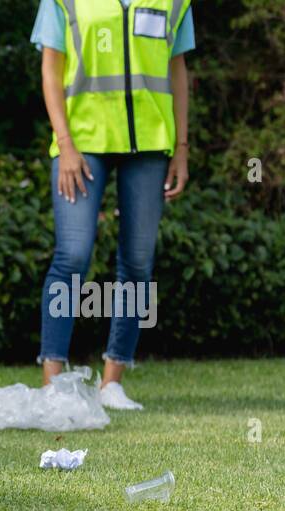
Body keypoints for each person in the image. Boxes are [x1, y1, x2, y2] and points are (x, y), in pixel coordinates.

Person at [33, 0, 193, 407]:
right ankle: (53, 385)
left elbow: (178, 72)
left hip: (150, 146)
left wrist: (182, 148)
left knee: (138, 261)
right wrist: (65, 144)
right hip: (82, 144)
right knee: (72, 255)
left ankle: (113, 382)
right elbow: (51, 70)